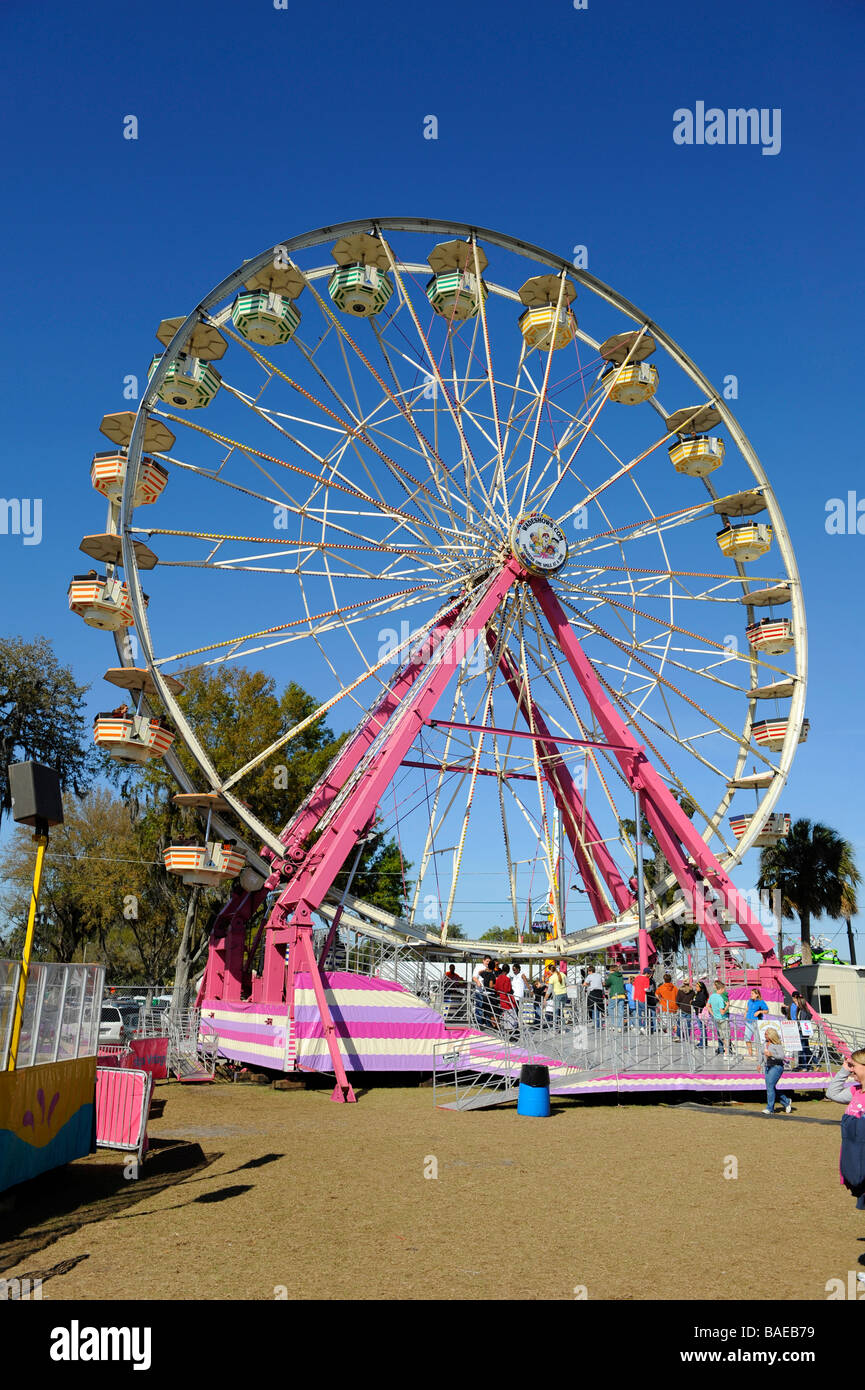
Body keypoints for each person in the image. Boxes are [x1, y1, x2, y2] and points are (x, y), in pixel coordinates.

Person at [826, 1050, 865, 1234]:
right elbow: (832, 1093)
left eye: (854, 1066)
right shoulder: (855, 1092)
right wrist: (843, 1070)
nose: (852, 1070)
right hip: (855, 1161)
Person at [762, 1026, 793, 1115]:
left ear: (771, 1035)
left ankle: (770, 1108)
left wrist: (772, 1054)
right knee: (770, 1087)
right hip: (767, 1067)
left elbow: (782, 1056)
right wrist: (759, 1064)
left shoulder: (777, 1045)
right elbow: (761, 1054)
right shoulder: (764, 1044)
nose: (765, 1036)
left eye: (766, 1034)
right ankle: (786, 1101)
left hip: (776, 1067)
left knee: (770, 1086)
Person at [790, 992, 814, 1069]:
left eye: (796, 1002)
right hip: (803, 1031)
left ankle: (804, 1066)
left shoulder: (803, 1011)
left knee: (803, 1049)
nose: (795, 1003)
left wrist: (797, 1026)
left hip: (802, 1031)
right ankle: (813, 1064)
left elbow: (802, 1022)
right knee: (805, 1049)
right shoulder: (802, 1010)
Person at [744, 987, 769, 1059]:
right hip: (748, 1021)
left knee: (757, 1039)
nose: (750, 995)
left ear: (757, 994)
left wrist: (759, 1012)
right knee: (747, 1038)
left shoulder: (761, 1002)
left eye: (752, 993)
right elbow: (747, 1008)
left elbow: (766, 1011)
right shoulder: (749, 1001)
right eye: (751, 993)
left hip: (756, 1022)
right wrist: (745, 1013)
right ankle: (750, 1054)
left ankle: (758, 1055)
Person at [707, 983, 729, 1054]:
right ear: (721, 989)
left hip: (716, 1018)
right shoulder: (720, 998)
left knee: (722, 1036)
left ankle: (726, 1052)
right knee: (726, 1036)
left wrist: (713, 1013)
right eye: (724, 989)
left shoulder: (712, 996)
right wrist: (727, 1006)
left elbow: (707, 1006)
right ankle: (727, 1053)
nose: (724, 991)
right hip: (722, 1019)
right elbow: (722, 1012)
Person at [545, 964, 568, 1028]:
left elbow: (549, 990)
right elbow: (568, 984)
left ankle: (555, 1028)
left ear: (550, 970)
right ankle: (563, 1027)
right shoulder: (563, 974)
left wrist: (545, 999)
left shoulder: (552, 978)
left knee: (556, 1012)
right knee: (561, 1011)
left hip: (557, 995)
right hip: (564, 994)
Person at [493, 964, 515, 1031]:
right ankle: (509, 1030)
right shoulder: (507, 979)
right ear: (508, 970)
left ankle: (506, 1028)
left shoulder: (498, 977)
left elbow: (496, 988)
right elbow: (507, 990)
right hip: (506, 998)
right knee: (510, 1014)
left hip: (500, 997)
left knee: (505, 1014)